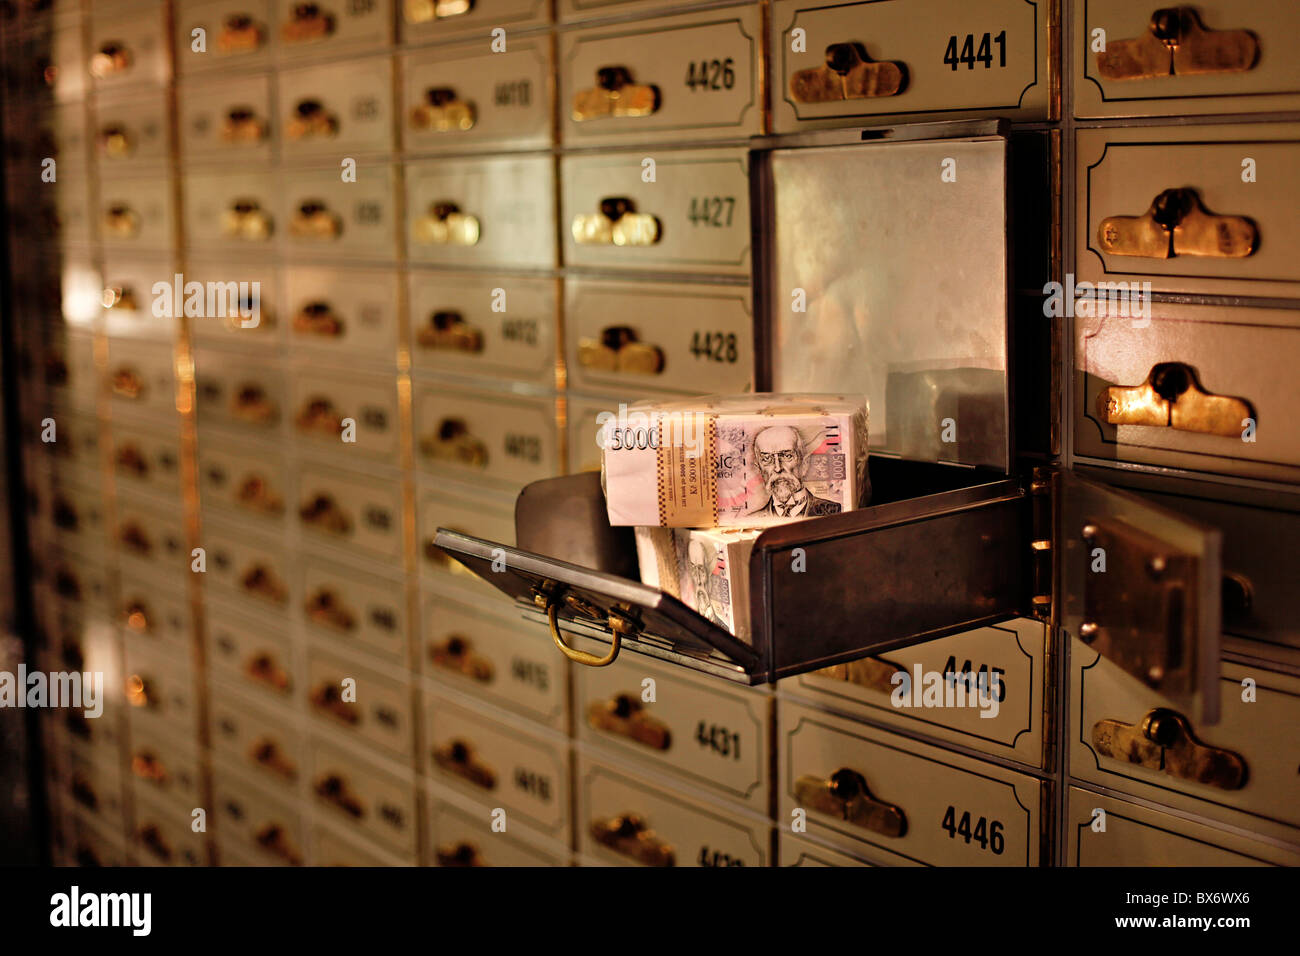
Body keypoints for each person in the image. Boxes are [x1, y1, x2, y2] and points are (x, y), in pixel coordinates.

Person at [746, 425, 841, 518]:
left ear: (805, 464)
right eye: (766, 459)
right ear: (759, 468)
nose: (778, 468)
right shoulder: (750, 521)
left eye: (787, 456)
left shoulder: (835, 512)